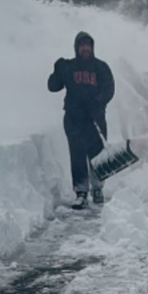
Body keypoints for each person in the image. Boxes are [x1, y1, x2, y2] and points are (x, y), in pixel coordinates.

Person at [47, 31, 116, 209]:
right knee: (77, 154)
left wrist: (97, 102)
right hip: (73, 118)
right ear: (76, 47)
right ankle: (81, 192)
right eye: (82, 45)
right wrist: (56, 71)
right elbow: (53, 87)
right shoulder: (69, 67)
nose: (85, 48)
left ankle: (98, 188)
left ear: (92, 47)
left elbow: (109, 89)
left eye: (88, 45)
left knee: (97, 154)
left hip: (95, 118)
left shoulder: (101, 67)